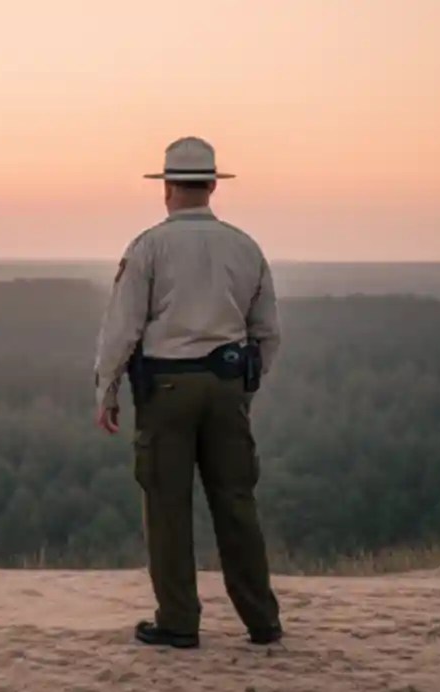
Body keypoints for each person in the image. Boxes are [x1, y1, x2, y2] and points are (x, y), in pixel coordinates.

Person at [94, 136, 283, 648]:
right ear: (213, 185)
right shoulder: (245, 247)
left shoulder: (148, 246)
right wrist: (244, 387)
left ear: (167, 189)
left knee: (168, 506)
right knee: (237, 503)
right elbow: (267, 332)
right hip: (227, 385)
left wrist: (106, 388)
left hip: (166, 387)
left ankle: (179, 622)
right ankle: (261, 621)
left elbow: (123, 328)